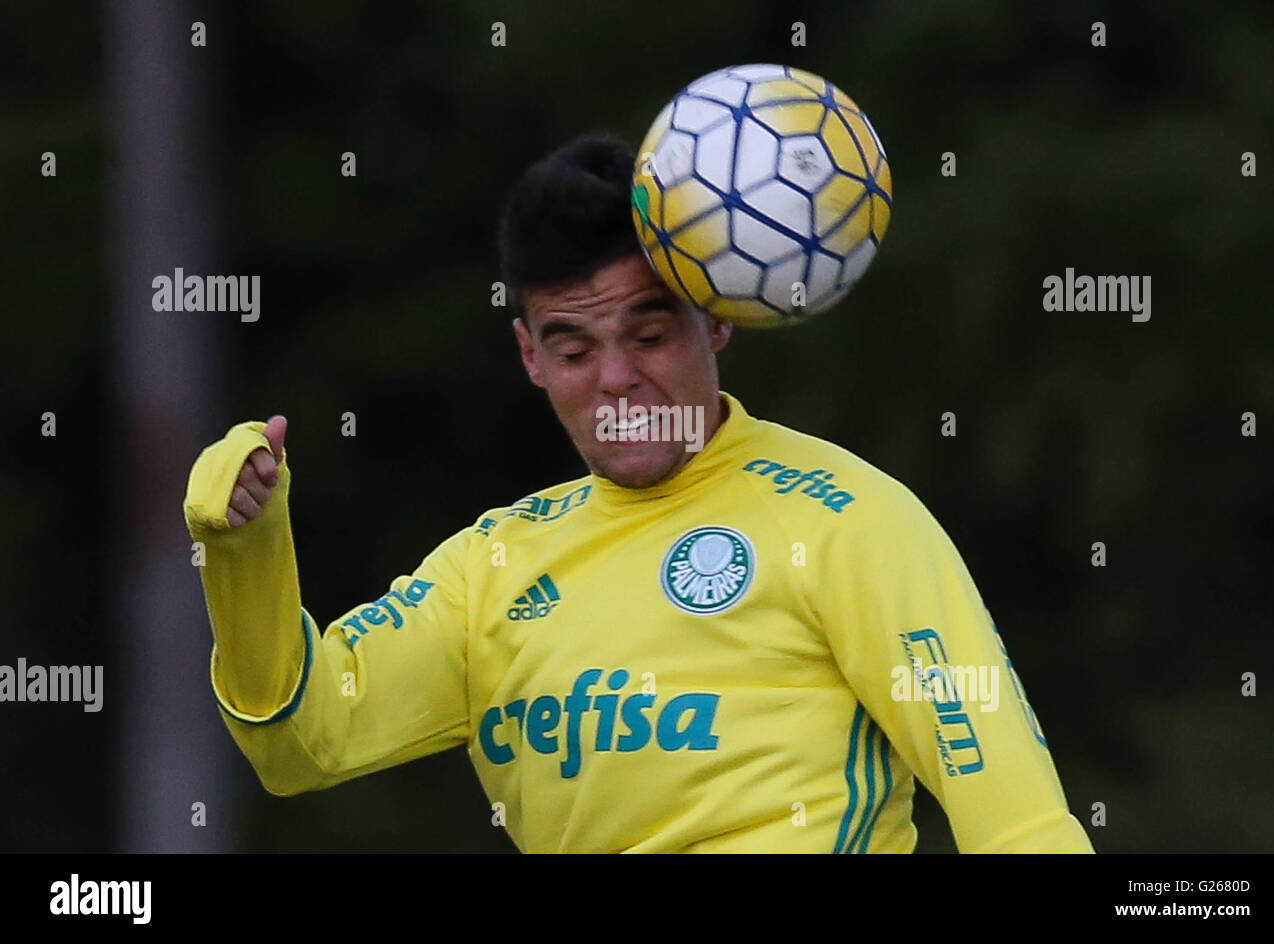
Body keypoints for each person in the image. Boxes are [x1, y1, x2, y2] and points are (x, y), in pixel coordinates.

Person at [183, 132, 1094, 853]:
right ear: (531, 358)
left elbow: (1015, 820)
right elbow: (301, 744)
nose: (616, 379)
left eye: (650, 334)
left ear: (718, 317)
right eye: (575, 350)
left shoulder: (847, 516)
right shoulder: (491, 568)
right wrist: (245, 554)